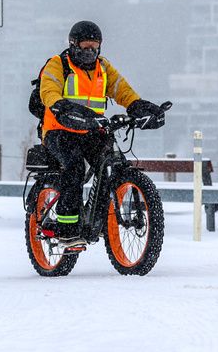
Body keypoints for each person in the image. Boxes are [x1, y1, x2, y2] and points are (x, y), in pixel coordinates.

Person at [37, 20, 165, 249]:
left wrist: (138, 107)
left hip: (91, 129)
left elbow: (121, 90)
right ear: (73, 45)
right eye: (85, 47)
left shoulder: (103, 67)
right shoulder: (58, 64)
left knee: (111, 165)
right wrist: (62, 107)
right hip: (59, 130)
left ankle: (101, 219)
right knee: (75, 167)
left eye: (94, 48)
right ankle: (67, 230)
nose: (90, 52)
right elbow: (49, 91)